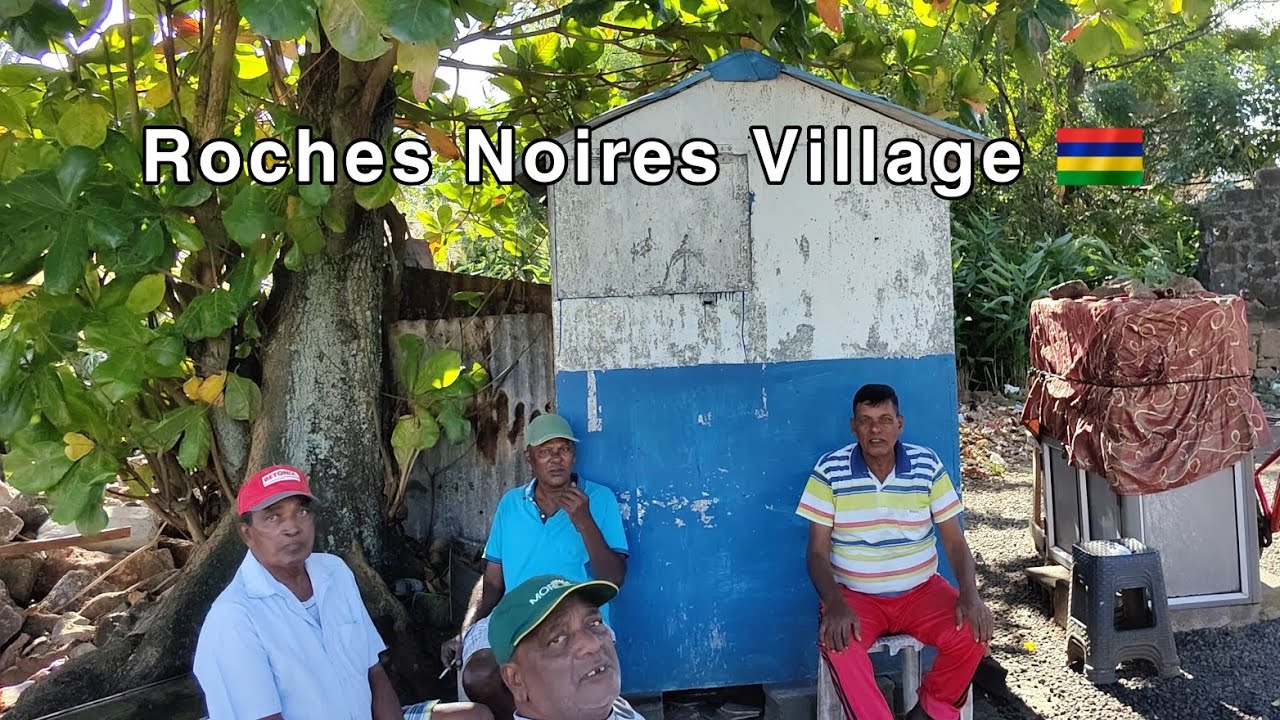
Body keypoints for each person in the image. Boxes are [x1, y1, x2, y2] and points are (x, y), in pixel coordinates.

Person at [194, 464, 492, 720]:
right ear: (246, 533)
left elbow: (374, 673)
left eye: (301, 512)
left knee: (475, 716)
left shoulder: (333, 573)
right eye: (273, 517)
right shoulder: (234, 618)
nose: (292, 528)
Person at [796, 384, 992, 720]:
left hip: (921, 592)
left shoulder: (926, 464)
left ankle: (931, 710)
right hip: (855, 595)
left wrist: (970, 595)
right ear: (853, 426)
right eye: (866, 420)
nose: (876, 429)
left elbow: (955, 543)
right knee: (838, 641)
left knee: (974, 631)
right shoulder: (829, 471)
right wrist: (836, 604)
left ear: (899, 424)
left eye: (885, 419)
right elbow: (816, 553)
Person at [442, 413, 630, 720]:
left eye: (563, 450)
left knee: (564, 683)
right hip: (516, 619)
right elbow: (490, 584)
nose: (556, 459)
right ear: (530, 458)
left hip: (574, 619)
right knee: (479, 674)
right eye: (545, 452)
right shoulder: (511, 504)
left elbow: (613, 578)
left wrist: (583, 520)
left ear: (573, 455)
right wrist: (464, 633)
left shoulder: (598, 498)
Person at [488, 574, 644, 720]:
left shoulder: (622, 711)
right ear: (516, 680)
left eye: (594, 623)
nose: (592, 644)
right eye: (557, 639)